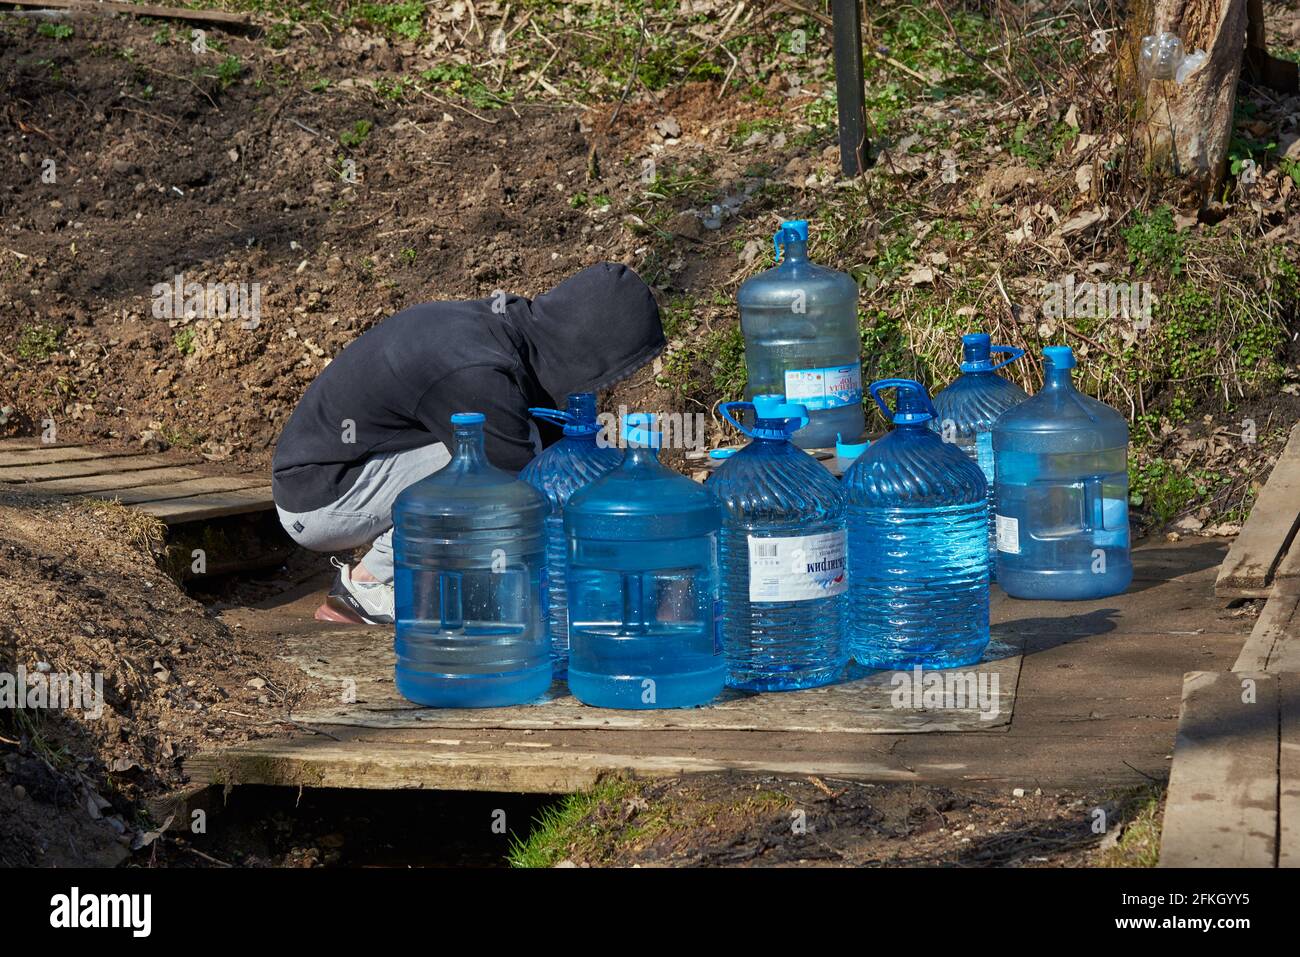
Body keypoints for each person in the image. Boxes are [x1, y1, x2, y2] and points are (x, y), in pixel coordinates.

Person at [272, 262, 664, 624]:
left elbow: (562, 445)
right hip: (321, 497)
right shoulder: (477, 372)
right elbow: (524, 494)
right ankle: (368, 584)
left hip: (362, 464)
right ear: (590, 347)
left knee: (512, 448)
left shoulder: (512, 332)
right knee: (481, 466)